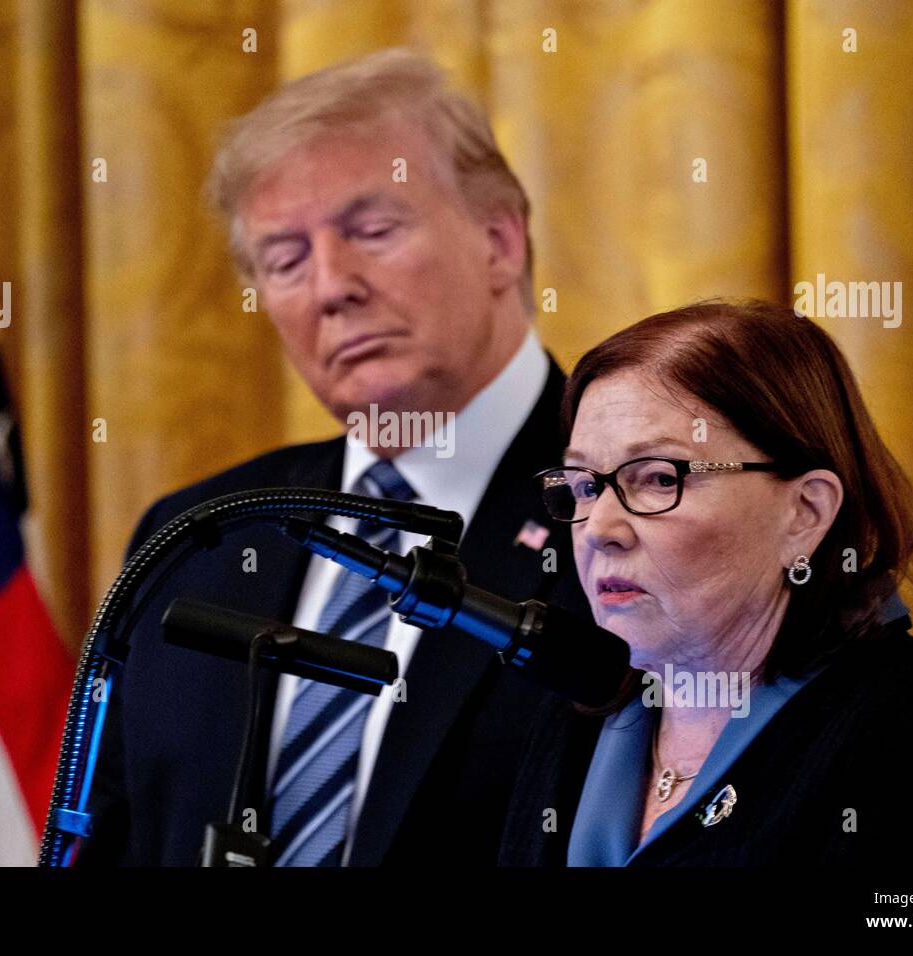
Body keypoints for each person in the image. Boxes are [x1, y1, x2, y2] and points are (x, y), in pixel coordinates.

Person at [79, 48, 588, 866]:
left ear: (500, 241)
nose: (330, 287)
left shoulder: (633, 515)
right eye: (286, 260)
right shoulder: (193, 541)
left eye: (373, 232)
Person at [499, 299, 913, 866]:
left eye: (659, 478)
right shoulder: (574, 722)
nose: (599, 530)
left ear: (805, 512)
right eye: (585, 486)